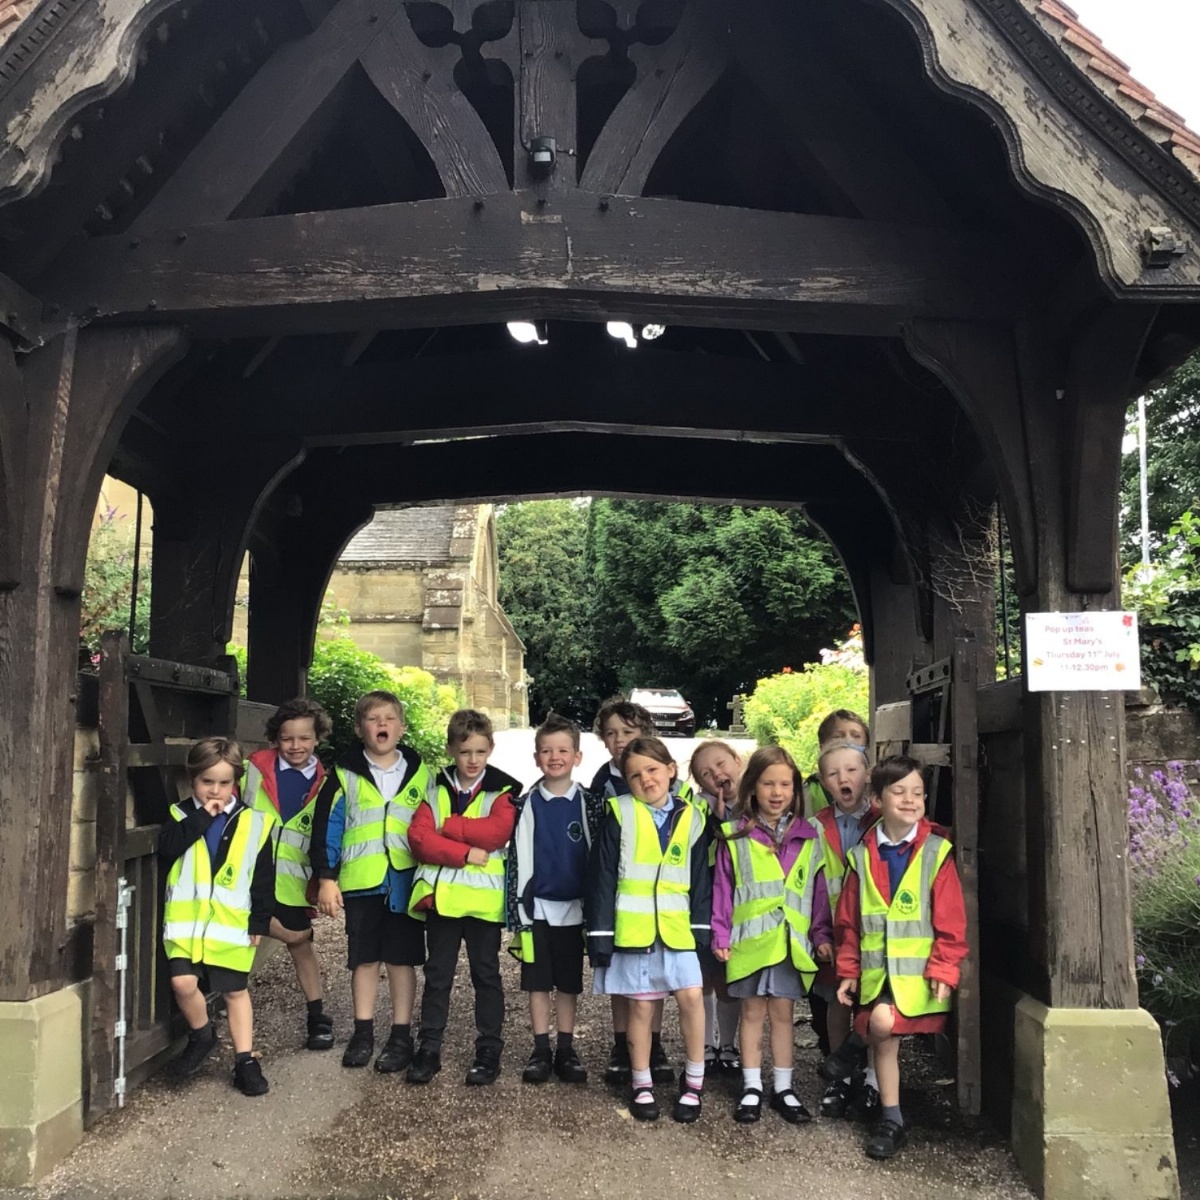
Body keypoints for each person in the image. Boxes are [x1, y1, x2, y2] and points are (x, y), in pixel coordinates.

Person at [833, 754, 968, 1160]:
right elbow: (849, 922)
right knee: (886, 1042)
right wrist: (848, 971)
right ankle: (892, 1121)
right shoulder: (860, 855)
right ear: (876, 799)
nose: (911, 800)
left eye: (919, 793)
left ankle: (853, 1047)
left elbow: (951, 919)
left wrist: (945, 967)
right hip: (876, 974)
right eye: (899, 792)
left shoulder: (936, 852)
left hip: (918, 979)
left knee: (879, 1024)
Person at [586, 737, 711, 1123]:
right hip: (634, 930)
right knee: (641, 1005)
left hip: (676, 929)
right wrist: (600, 937)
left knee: (691, 997)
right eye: (636, 775)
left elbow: (701, 880)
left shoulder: (693, 817)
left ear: (671, 769)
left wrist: (701, 931)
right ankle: (641, 1083)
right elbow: (601, 878)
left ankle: (693, 1083)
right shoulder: (619, 814)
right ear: (627, 781)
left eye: (653, 770)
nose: (646, 779)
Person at [310, 690, 430, 1074]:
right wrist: (327, 878)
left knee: (402, 959)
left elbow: (435, 825)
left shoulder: (421, 773)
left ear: (402, 727)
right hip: (362, 882)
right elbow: (327, 828)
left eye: (389, 719)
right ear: (360, 729)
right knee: (363, 959)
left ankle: (400, 1034)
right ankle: (363, 1033)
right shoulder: (343, 775)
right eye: (373, 719)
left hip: (405, 881)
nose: (382, 725)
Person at [712, 746, 832, 1125]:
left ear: (796, 790)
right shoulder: (734, 835)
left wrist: (822, 933)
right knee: (751, 1013)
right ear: (752, 788)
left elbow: (819, 892)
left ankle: (784, 1087)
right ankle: (751, 1086)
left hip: (790, 945)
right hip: (748, 944)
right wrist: (720, 934)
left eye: (785, 784)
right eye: (768, 783)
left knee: (783, 1014)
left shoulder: (811, 836)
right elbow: (723, 889)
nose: (777, 792)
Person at [407, 709, 522, 1085]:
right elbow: (419, 839)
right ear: (451, 751)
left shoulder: (502, 790)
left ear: (490, 749)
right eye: (464, 752)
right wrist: (463, 852)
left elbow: (497, 833)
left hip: (481, 905)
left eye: (479, 752)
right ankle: (429, 1047)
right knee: (437, 975)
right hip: (441, 902)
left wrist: (451, 827)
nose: (472, 760)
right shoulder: (435, 788)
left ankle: (488, 1049)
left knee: (485, 975)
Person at [159, 737, 275, 1096]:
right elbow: (168, 850)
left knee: (235, 992)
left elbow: (262, 877)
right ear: (192, 779)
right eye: (207, 781)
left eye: (224, 782)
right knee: (183, 984)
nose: (216, 789)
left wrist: (259, 921)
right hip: (185, 925)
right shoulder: (180, 814)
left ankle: (245, 1060)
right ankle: (203, 1035)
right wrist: (201, 817)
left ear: (236, 782)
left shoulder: (255, 822)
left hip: (231, 925)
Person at [507, 713, 606, 1084]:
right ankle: (540, 1049)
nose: (555, 756)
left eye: (563, 749)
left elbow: (599, 859)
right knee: (537, 982)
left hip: (576, 911)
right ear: (536, 758)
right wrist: (518, 912)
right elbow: (517, 862)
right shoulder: (524, 804)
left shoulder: (590, 804)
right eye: (546, 750)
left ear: (577, 757)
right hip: (537, 911)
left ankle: (566, 1047)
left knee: (568, 982)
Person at [589, 697, 675, 1087]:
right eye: (611, 734)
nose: (619, 740)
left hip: (658, 899)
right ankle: (621, 1044)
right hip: (617, 898)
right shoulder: (602, 782)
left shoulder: (662, 778)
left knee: (653, 980)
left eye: (628, 732)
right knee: (620, 978)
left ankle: (653, 1045)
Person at [242, 696, 333, 1051]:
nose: (295, 746)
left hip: (293, 883)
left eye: (304, 738)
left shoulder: (327, 783)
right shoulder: (253, 769)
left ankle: (317, 1015)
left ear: (317, 738)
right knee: (242, 944)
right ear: (275, 738)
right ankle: (232, 1019)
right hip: (250, 876)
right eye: (287, 738)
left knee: (301, 945)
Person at [811, 738, 882, 1119]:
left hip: (876, 933)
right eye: (834, 773)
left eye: (852, 770)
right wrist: (819, 935)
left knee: (871, 1003)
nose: (844, 778)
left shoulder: (885, 821)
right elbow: (810, 886)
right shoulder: (814, 828)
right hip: (833, 934)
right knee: (835, 1005)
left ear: (868, 775)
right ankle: (841, 1078)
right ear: (823, 781)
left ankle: (873, 1079)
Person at [689, 739, 744, 1076]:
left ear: (737, 761)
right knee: (706, 976)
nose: (717, 775)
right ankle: (706, 1044)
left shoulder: (758, 801)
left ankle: (728, 1043)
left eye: (722, 764)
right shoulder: (699, 811)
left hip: (741, 905)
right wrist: (718, 823)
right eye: (707, 774)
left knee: (729, 978)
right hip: (708, 901)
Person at [804, 709, 870, 817]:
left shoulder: (878, 787)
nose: (848, 741)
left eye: (856, 736)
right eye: (838, 737)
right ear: (823, 745)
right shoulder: (809, 793)